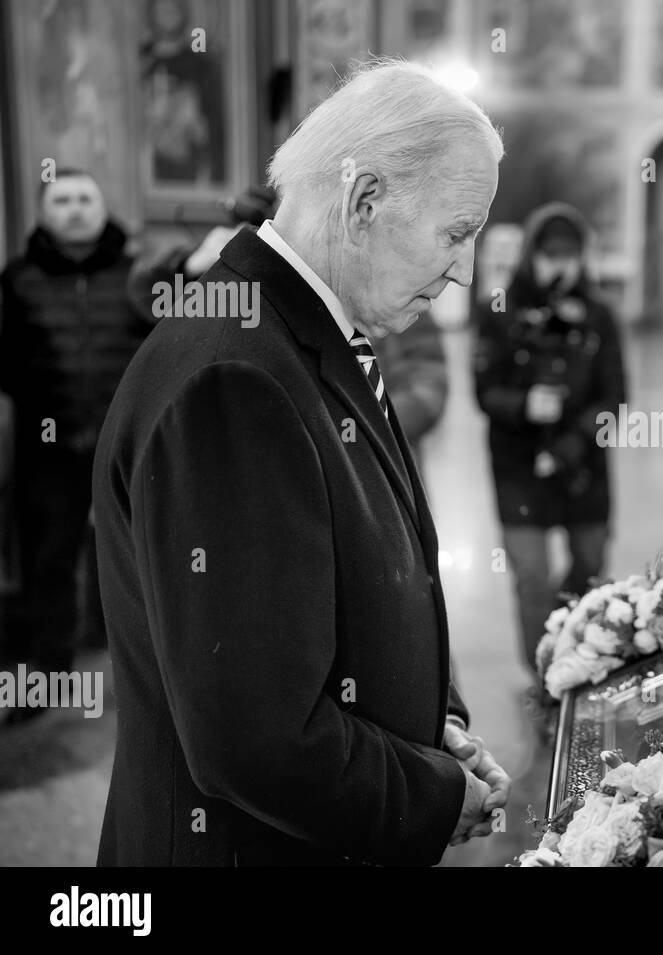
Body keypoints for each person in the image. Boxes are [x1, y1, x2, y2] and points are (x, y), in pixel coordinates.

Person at [92, 61, 508, 866]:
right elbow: (254, 734)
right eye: (457, 233)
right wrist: (427, 795)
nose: (462, 272)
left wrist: (436, 734)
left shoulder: (295, 337)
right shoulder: (235, 377)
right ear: (363, 202)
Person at [128, 187, 452, 446]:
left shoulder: (384, 281)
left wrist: (360, 429)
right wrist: (190, 266)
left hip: (377, 464)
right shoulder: (251, 285)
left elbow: (427, 380)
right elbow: (151, 302)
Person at [0, 170, 154, 685]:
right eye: (61, 200)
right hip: (49, 444)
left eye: (84, 197)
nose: (74, 208)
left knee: (142, 556)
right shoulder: (16, 280)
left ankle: (151, 679)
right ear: (44, 213)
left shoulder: (138, 274)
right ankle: (50, 676)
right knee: (51, 559)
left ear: (102, 206)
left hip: (128, 442)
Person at [474, 203, 627, 680]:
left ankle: (576, 656)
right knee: (532, 578)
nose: (559, 267)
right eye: (549, 255)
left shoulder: (599, 315)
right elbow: (484, 391)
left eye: (569, 255)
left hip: (582, 464)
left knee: (590, 563)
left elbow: (615, 396)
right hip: (519, 465)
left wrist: (571, 445)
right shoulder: (499, 310)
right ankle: (545, 677)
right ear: (531, 256)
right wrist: (524, 404)